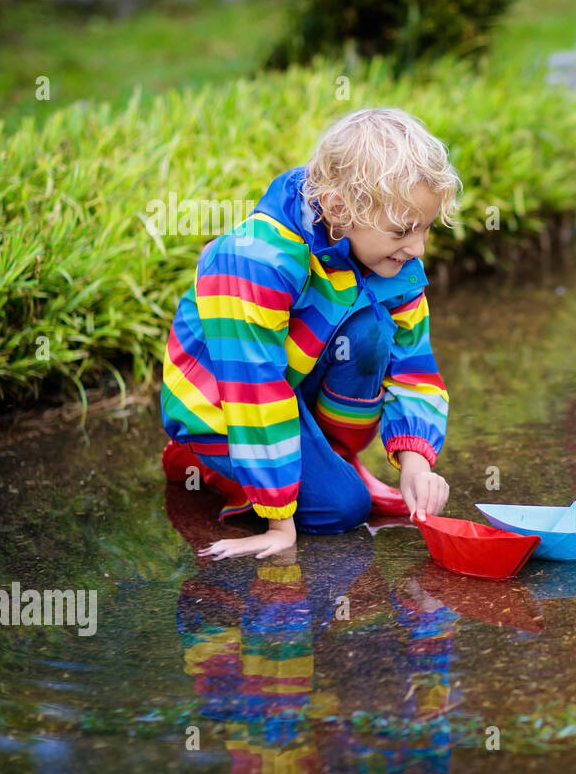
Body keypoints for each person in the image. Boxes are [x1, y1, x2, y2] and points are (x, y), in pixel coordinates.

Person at [160, 107, 456, 558]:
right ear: (339, 209)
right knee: (341, 511)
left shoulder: (388, 257)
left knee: (372, 329)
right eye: (402, 230)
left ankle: (333, 459)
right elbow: (253, 389)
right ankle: (200, 460)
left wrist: (415, 466)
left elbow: (412, 365)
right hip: (224, 404)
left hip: (291, 384)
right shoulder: (257, 258)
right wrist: (279, 522)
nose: (417, 248)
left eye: (425, 228)